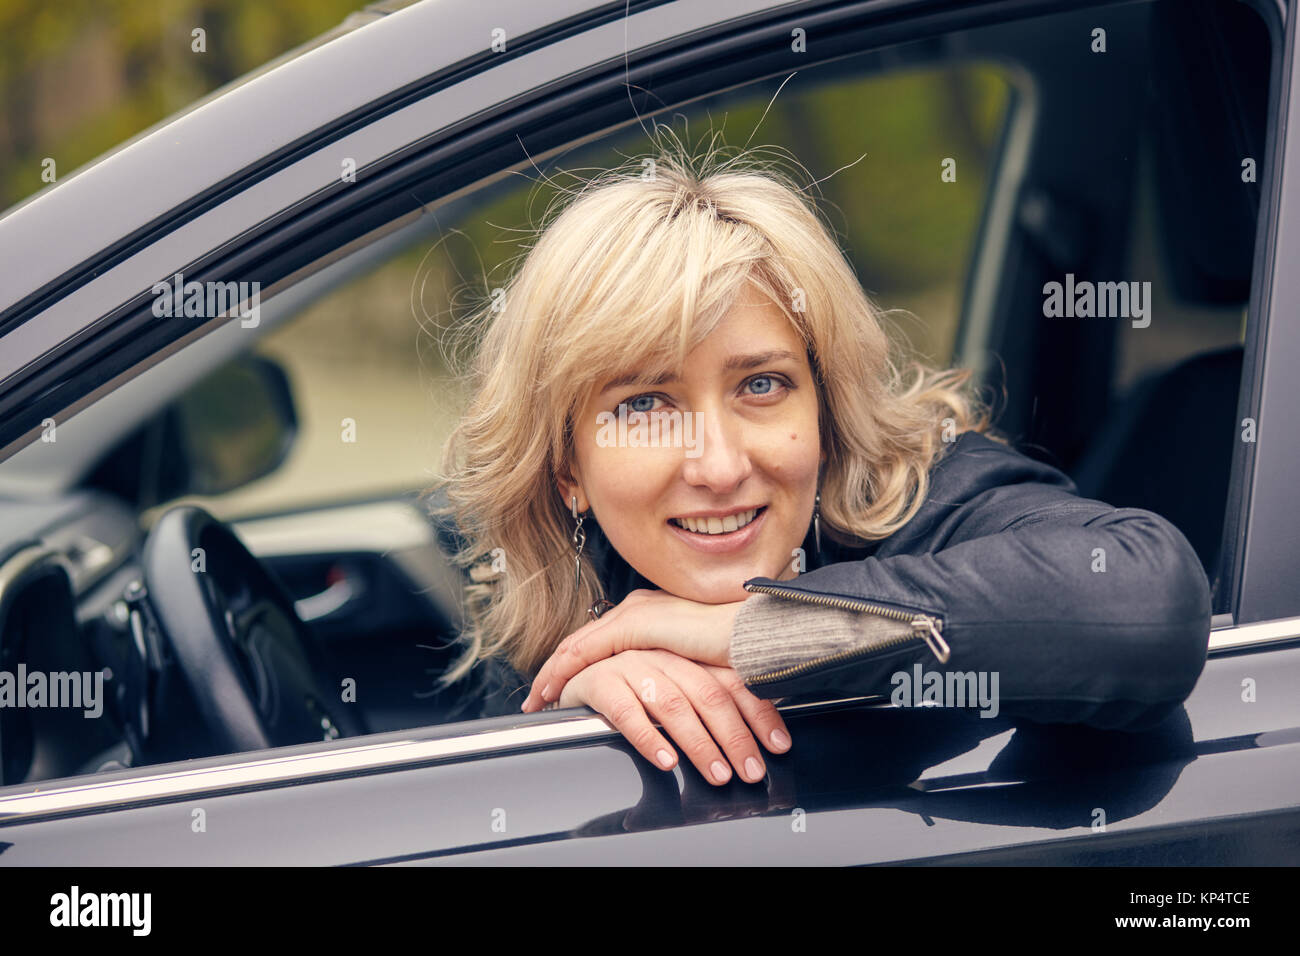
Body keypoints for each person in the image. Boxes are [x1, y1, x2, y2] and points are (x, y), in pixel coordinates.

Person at [424, 137, 1211, 788]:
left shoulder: (927, 494)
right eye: (645, 405)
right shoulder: (561, 597)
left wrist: (756, 633)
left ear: (824, 409)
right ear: (567, 471)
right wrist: (572, 719)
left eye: (761, 385)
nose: (721, 465)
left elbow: (1150, 602)